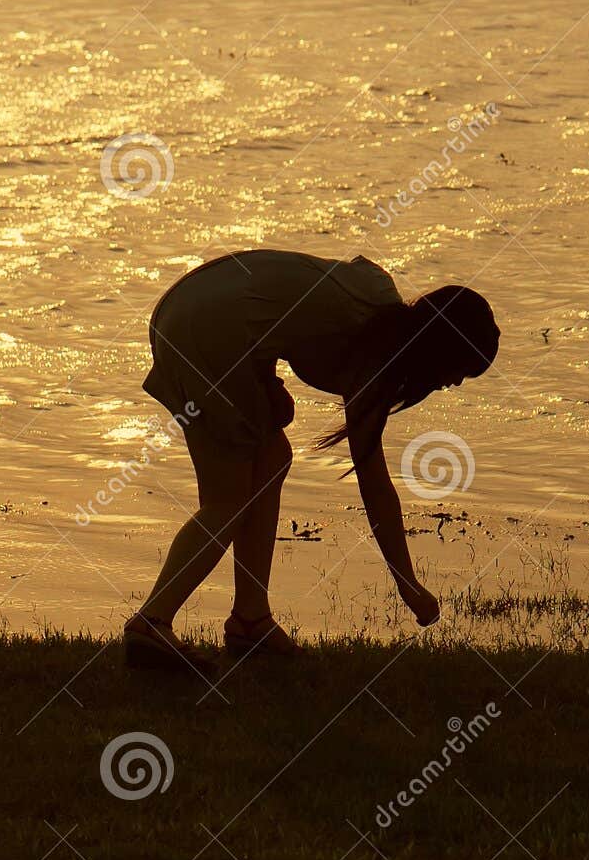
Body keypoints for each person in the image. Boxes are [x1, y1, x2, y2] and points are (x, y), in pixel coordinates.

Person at [123, 250, 499, 674]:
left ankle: (251, 619)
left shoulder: (377, 294)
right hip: (207, 330)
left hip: (193, 303)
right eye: (461, 371)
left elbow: (281, 307)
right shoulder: (374, 360)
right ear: (440, 351)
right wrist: (408, 585)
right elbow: (374, 486)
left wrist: (264, 377)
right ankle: (152, 621)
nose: (452, 383)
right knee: (226, 498)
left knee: (270, 458)